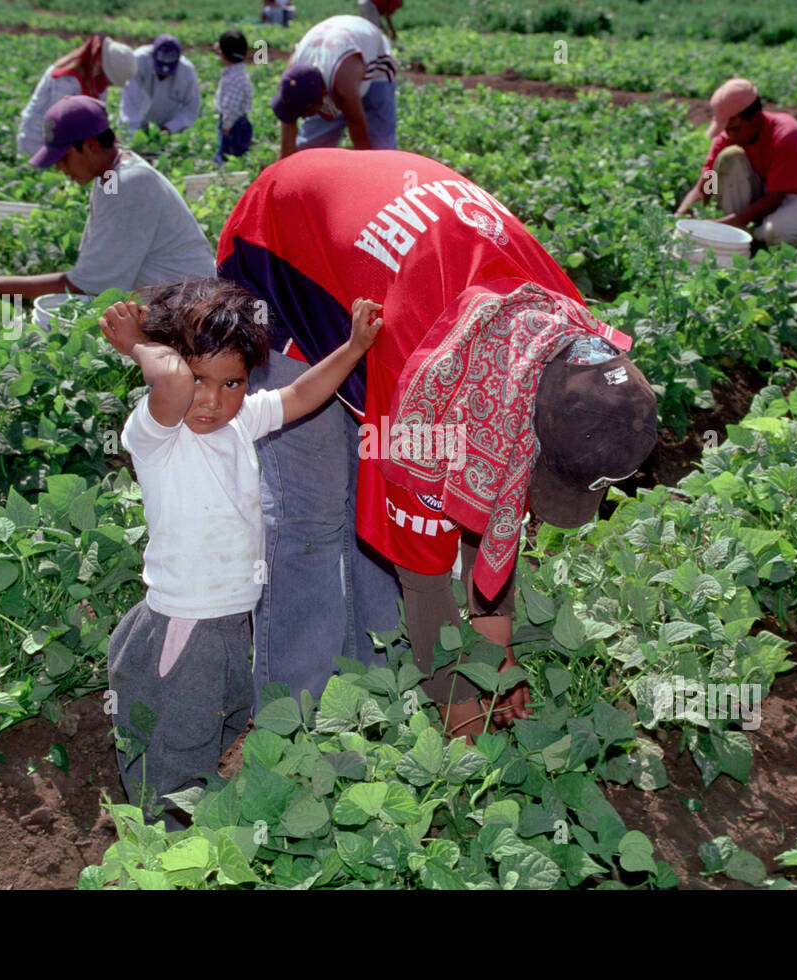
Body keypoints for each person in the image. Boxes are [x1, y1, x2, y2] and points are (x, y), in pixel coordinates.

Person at [218, 149, 657, 738]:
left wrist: (495, 662)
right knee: (314, 514)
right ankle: (291, 725)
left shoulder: (563, 338)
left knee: (367, 488)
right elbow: (423, 568)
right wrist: (461, 714)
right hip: (279, 248)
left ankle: (374, 683)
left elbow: (493, 504)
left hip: (382, 279)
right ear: (525, 419)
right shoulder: (427, 396)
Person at [99, 281, 383, 830]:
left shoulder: (238, 423)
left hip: (232, 624)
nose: (211, 399)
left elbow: (300, 395)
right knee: (179, 742)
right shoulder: (158, 434)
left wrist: (352, 348)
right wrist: (136, 343)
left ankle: (201, 819)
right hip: (186, 627)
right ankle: (163, 841)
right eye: (199, 380)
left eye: (232, 382)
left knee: (222, 722)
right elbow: (173, 379)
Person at [0, 95, 216, 302]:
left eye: (64, 158)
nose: (60, 168)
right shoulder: (112, 174)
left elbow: (88, 287)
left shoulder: (129, 185)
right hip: (173, 301)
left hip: (189, 311)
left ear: (92, 146)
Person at [675, 78, 797, 249]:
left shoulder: (786, 134)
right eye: (726, 128)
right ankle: (745, 234)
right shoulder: (728, 136)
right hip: (765, 191)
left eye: (735, 128)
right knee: (729, 157)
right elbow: (707, 184)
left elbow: (775, 198)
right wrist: (680, 216)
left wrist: (720, 225)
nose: (729, 135)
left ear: (756, 118)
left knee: (776, 232)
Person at [272, 14, 397, 157]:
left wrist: (365, 166)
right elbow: (287, 138)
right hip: (336, 44)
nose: (304, 118)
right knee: (310, 151)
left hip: (373, 57)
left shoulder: (344, 88)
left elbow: (358, 129)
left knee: (379, 148)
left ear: (321, 97)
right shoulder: (290, 84)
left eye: (305, 113)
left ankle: (383, 172)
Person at [16, 35, 136, 157]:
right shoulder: (67, 79)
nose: (109, 84)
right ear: (101, 67)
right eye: (110, 79)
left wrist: (113, 143)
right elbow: (60, 123)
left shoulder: (96, 81)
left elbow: (97, 118)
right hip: (37, 142)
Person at [120, 33, 199, 136]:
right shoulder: (138, 62)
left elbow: (191, 108)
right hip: (137, 121)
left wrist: (169, 128)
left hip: (169, 128)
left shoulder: (186, 71)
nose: (163, 75)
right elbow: (130, 102)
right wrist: (132, 136)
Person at [213, 29, 253, 165]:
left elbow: (231, 108)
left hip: (233, 126)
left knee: (226, 159)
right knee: (235, 160)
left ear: (222, 54)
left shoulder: (233, 78)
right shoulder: (239, 74)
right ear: (246, 53)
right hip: (236, 123)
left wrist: (226, 128)